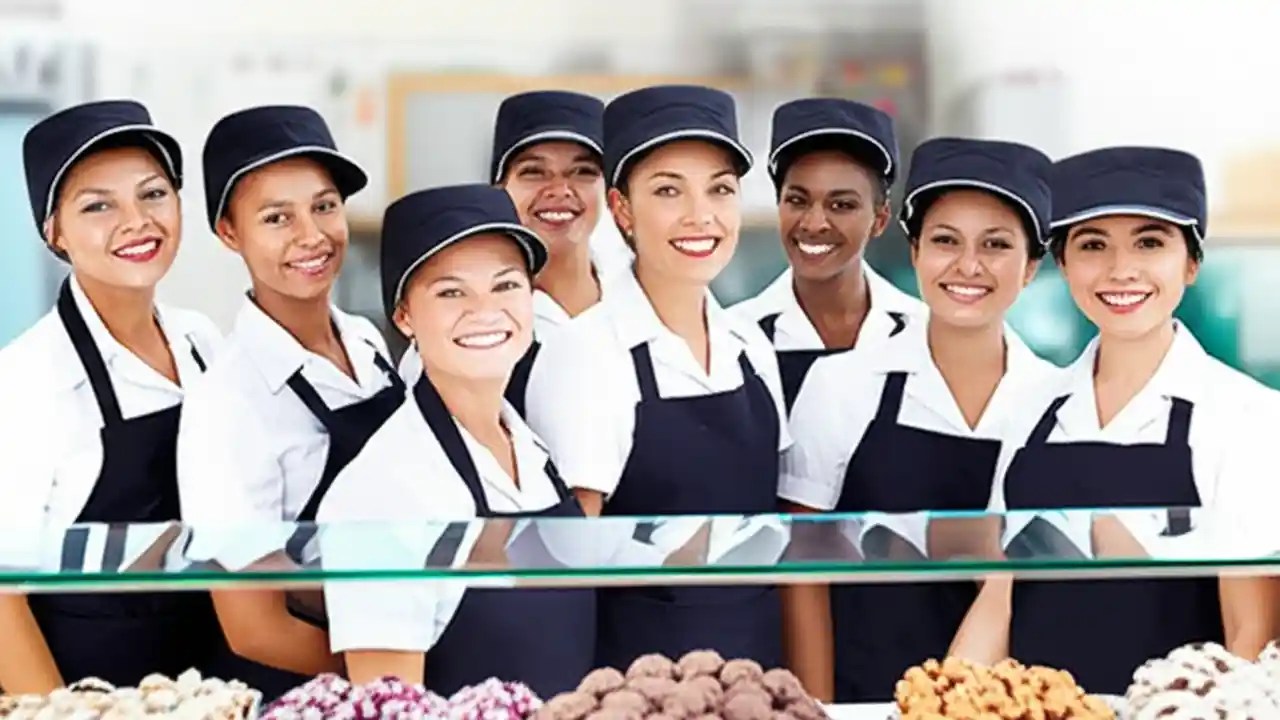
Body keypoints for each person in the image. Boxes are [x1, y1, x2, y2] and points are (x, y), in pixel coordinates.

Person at [964, 146, 1280, 693]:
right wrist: (947, 695)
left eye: (1149, 243)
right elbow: (1001, 597)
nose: (1121, 270)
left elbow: (1248, 635)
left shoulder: (1246, 418)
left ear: (1192, 262)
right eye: (1092, 245)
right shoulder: (1028, 408)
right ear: (1062, 264)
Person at [778, 137, 1059, 702]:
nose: (968, 265)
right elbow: (802, 573)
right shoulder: (842, 384)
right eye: (945, 241)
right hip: (862, 696)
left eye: (997, 244)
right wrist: (817, 709)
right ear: (915, 253)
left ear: (1031, 267)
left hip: (1009, 701)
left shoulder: (1057, 402)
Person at [524, 85, 791, 670]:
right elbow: (567, 569)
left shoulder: (751, 347)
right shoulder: (588, 354)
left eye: (719, 189)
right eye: (669, 190)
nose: (701, 216)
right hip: (638, 687)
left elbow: (782, 540)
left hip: (759, 678)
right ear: (622, 210)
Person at [318, 184, 594, 697]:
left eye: (506, 285)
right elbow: (392, 706)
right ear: (404, 316)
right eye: (451, 292)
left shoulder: (532, 450)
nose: (485, 311)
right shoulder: (382, 492)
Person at [176, 105, 405, 699]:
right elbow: (254, 628)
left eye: (324, 206)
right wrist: (387, 680)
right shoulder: (226, 403)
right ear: (230, 232)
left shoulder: (364, 338)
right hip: (308, 691)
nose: (312, 236)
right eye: (277, 217)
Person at [0, 100, 222, 691]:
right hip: (95, 696)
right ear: (55, 232)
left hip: (213, 690)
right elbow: (1, 600)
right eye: (98, 205)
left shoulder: (202, 340)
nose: (137, 221)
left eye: (153, 194)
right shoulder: (26, 380)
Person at [397, 90, 618, 415]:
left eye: (583, 171)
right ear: (499, 190)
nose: (559, 190)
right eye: (534, 172)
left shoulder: (640, 299)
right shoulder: (475, 324)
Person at [731, 98, 924, 412]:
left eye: (842, 205)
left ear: (880, 220)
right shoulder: (735, 340)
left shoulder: (924, 335)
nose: (814, 223)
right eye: (797, 200)